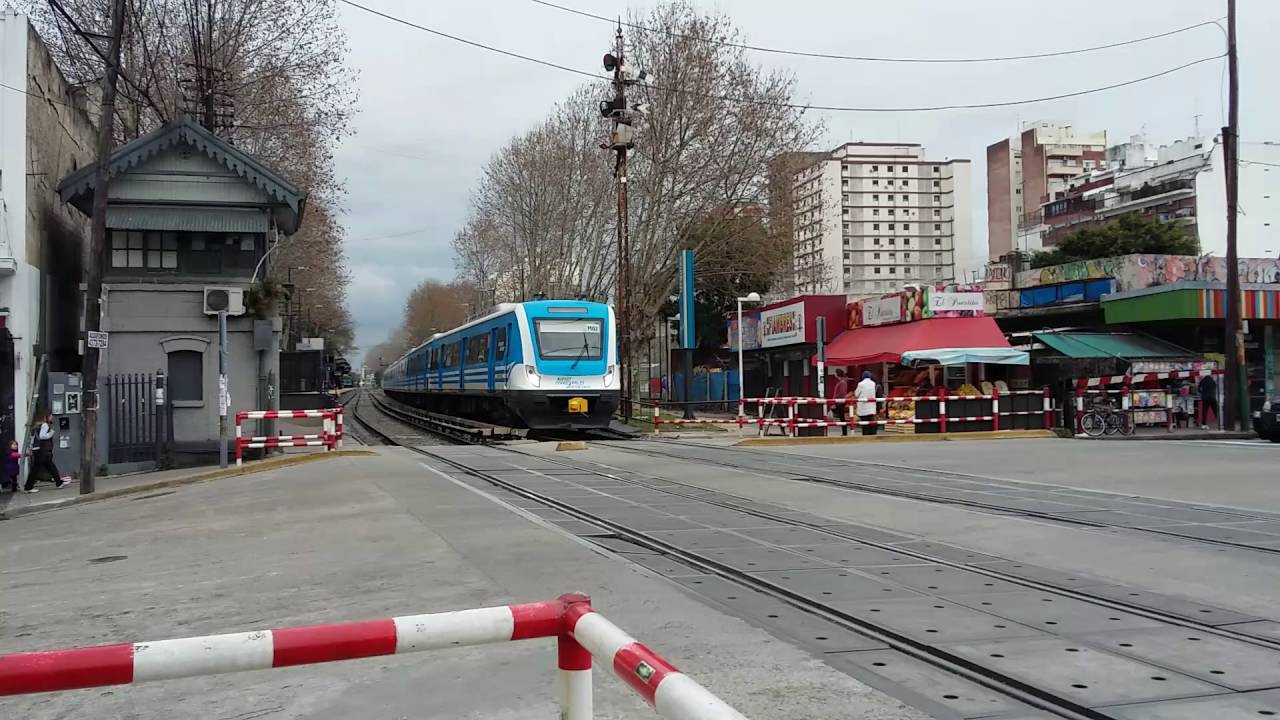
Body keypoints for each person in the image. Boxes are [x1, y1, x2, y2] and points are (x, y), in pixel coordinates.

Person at [25, 413, 65, 492]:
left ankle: (58, 482)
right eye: (50, 416)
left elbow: (33, 437)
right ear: (46, 417)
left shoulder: (37, 426)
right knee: (38, 468)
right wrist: (51, 433)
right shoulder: (44, 425)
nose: (51, 418)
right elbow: (42, 436)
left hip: (37, 448)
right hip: (42, 449)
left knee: (48, 465)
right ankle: (28, 486)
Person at [854, 370, 879, 436]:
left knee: (864, 424)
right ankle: (872, 435)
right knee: (871, 422)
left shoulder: (860, 384)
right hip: (871, 407)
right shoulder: (873, 383)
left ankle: (865, 436)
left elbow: (856, 394)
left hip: (863, 408)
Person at [831, 369, 850, 436]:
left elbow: (841, 393)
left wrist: (835, 399)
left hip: (840, 401)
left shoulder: (842, 382)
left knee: (842, 417)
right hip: (839, 401)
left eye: (835, 373)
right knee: (841, 417)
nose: (834, 374)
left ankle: (844, 432)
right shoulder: (841, 382)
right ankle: (844, 432)